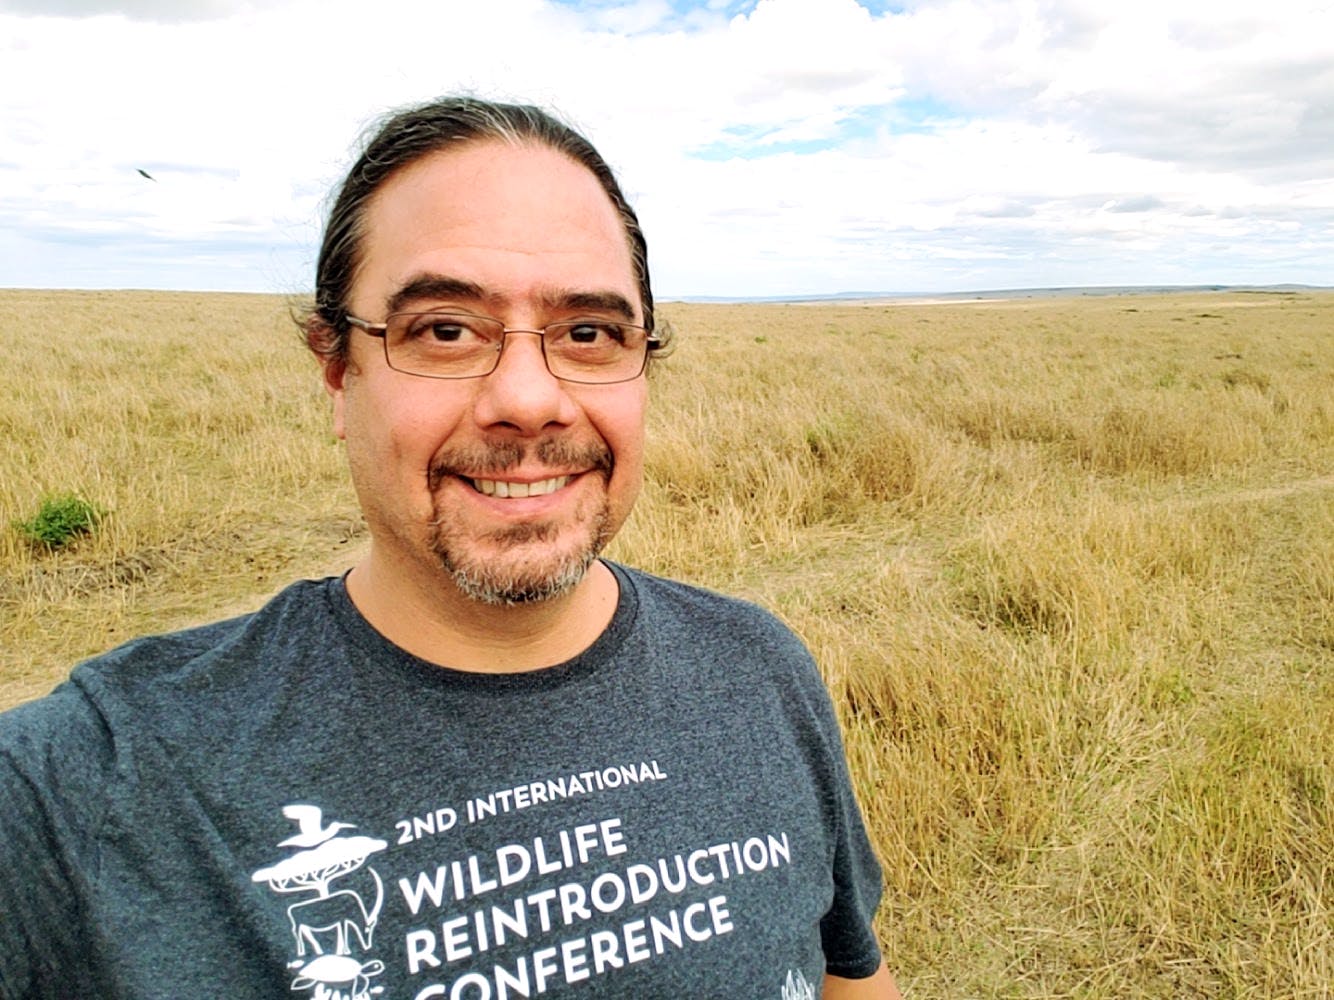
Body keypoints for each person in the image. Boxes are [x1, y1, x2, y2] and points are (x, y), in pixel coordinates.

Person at [0, 97, 901, 999]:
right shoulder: (83, 788)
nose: (529, 398)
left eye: (587, 333)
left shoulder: (758, 671)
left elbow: (847, 977)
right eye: (444, 330)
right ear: (338, 372)